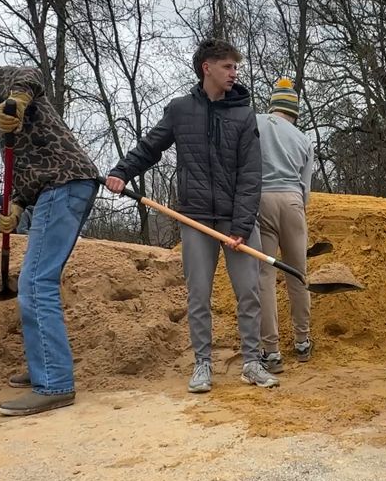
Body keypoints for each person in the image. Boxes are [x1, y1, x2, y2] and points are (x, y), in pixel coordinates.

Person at [105, 39, 274, 392]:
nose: (234, 73)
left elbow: (251, 174)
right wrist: (123, 171)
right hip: (195, 218)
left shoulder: (244, 115)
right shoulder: (180, 110)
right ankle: (203, 363)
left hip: (235, 219)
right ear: (206, 67)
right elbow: (151, 147)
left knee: (249, 292)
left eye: (235, 67)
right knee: (199, 294)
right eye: (227, 66)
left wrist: (243, 226)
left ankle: (252, 362)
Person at [0, 53, 100, 415]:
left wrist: (16, 100)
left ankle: (55, 383)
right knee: (36, 280)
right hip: (54, 186)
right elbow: (28, 161)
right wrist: (16, 203)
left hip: (64, 184)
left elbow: (31, 73)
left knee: (34, 282)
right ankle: (45, 367)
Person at [256, 77, 315, 372]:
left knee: (264, 275)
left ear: (272, 105)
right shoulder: (303, 138)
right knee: (297, 273)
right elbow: (305, 188)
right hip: (292, 201)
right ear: (294, 112)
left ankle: (271, 350)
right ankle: (303, 342)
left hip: (261, 200)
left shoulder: (255, 123)